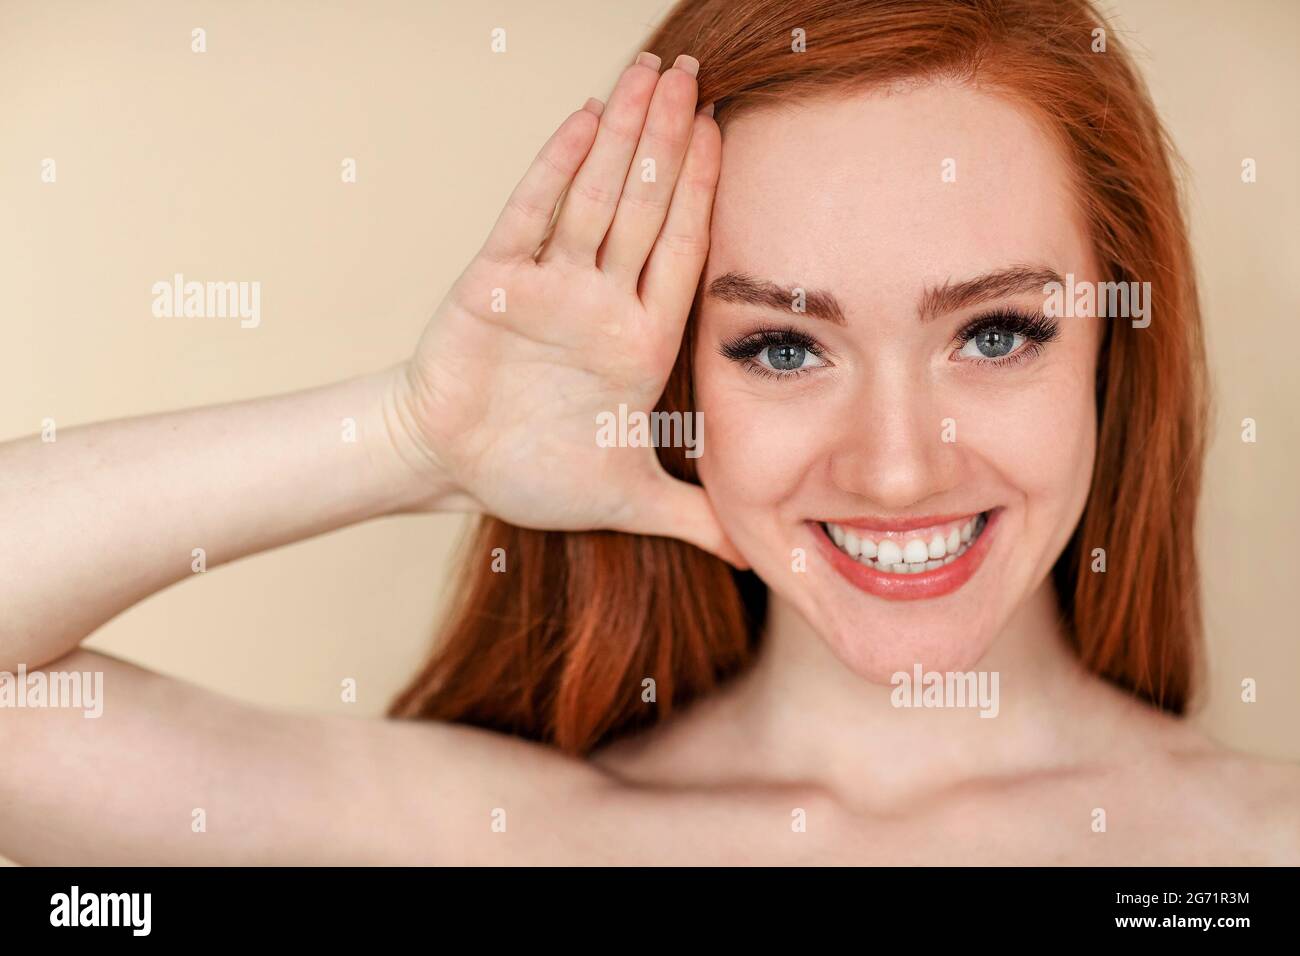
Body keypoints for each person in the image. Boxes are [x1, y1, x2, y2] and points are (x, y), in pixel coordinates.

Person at [3, 0, 1297, 865]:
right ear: (674, 386)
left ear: (1117, 348)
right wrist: (418, 437)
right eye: (781, 346)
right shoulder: (513, 838)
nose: (897, 466)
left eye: (998, 333)